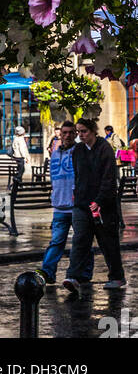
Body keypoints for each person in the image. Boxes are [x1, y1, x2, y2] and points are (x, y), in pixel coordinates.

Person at [64, 117, 126, 292]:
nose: (81, 135)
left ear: (92, 131)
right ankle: (73, 276)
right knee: (80, 240)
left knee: (108, 242)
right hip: (82, 204)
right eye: (79, 132)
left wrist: (99, 200)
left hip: (103, 205)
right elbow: (78, 176)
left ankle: (117, 276)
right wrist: (77, 196)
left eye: (84, 131)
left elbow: (108, 179)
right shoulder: (78, 150)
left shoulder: (104, 148)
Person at [39, 120, 93, 287]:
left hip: (77, 206)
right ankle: (48, 271)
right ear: (60, 134)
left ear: (75, 134)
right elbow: (54, 178)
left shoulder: (80, 152)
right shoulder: (55, 154)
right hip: (60, 206)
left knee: (82, 241)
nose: (68, 135)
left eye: (71, 132)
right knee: (56, 241)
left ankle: (84, 273)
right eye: (65, 133)